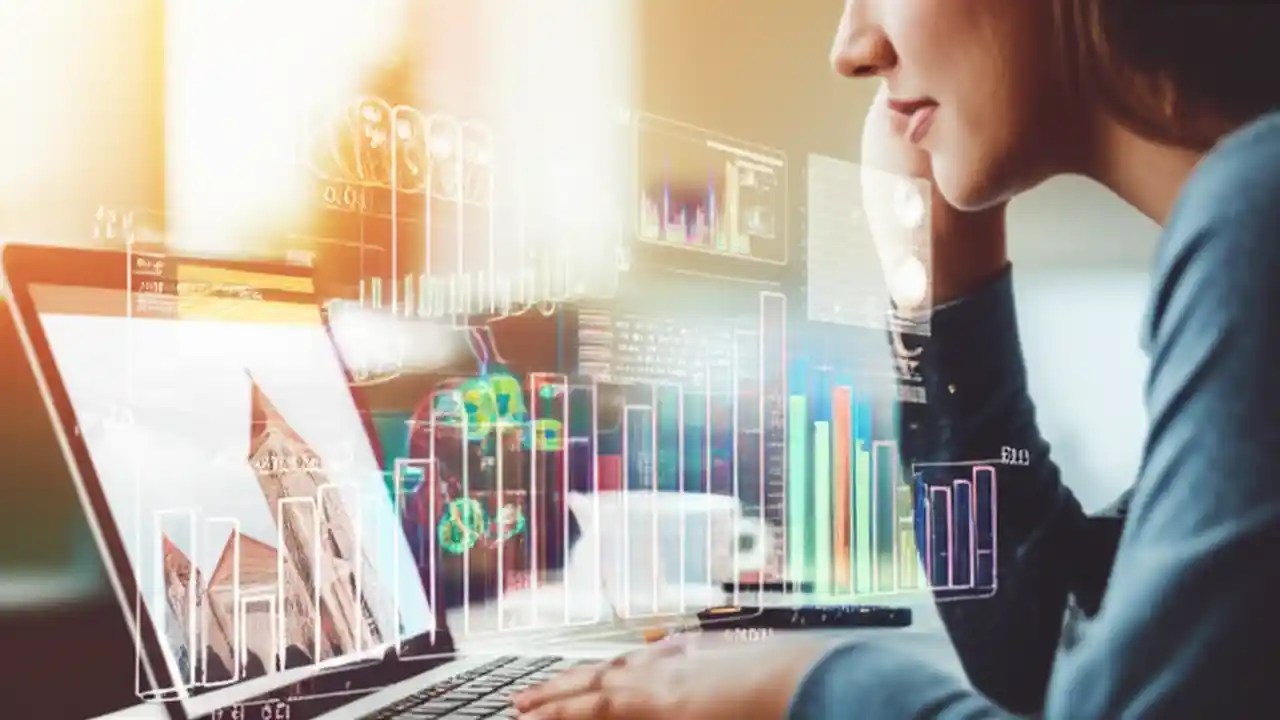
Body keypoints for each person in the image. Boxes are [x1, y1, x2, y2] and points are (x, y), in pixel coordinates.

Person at [513, 0, 1280, 717]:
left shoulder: (1258, 219)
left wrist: (800, 687)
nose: (851, 49)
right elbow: (1056, 652)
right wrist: (945, 279)